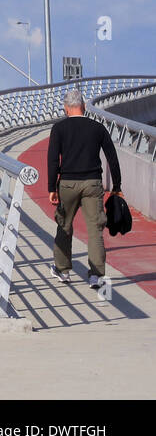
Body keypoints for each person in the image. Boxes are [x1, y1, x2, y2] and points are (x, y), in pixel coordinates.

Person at [47, 87, 123, 288]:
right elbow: (112, 157)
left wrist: (51, 187)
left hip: (68, 183)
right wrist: (117, 185)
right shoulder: (97, 128)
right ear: (83, 106)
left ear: (66, 108)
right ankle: (96, 275)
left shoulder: (59, 129)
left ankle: (63, 271)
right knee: (95, 229)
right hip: (92, 183)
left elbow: (53, 160)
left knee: (64, 225)